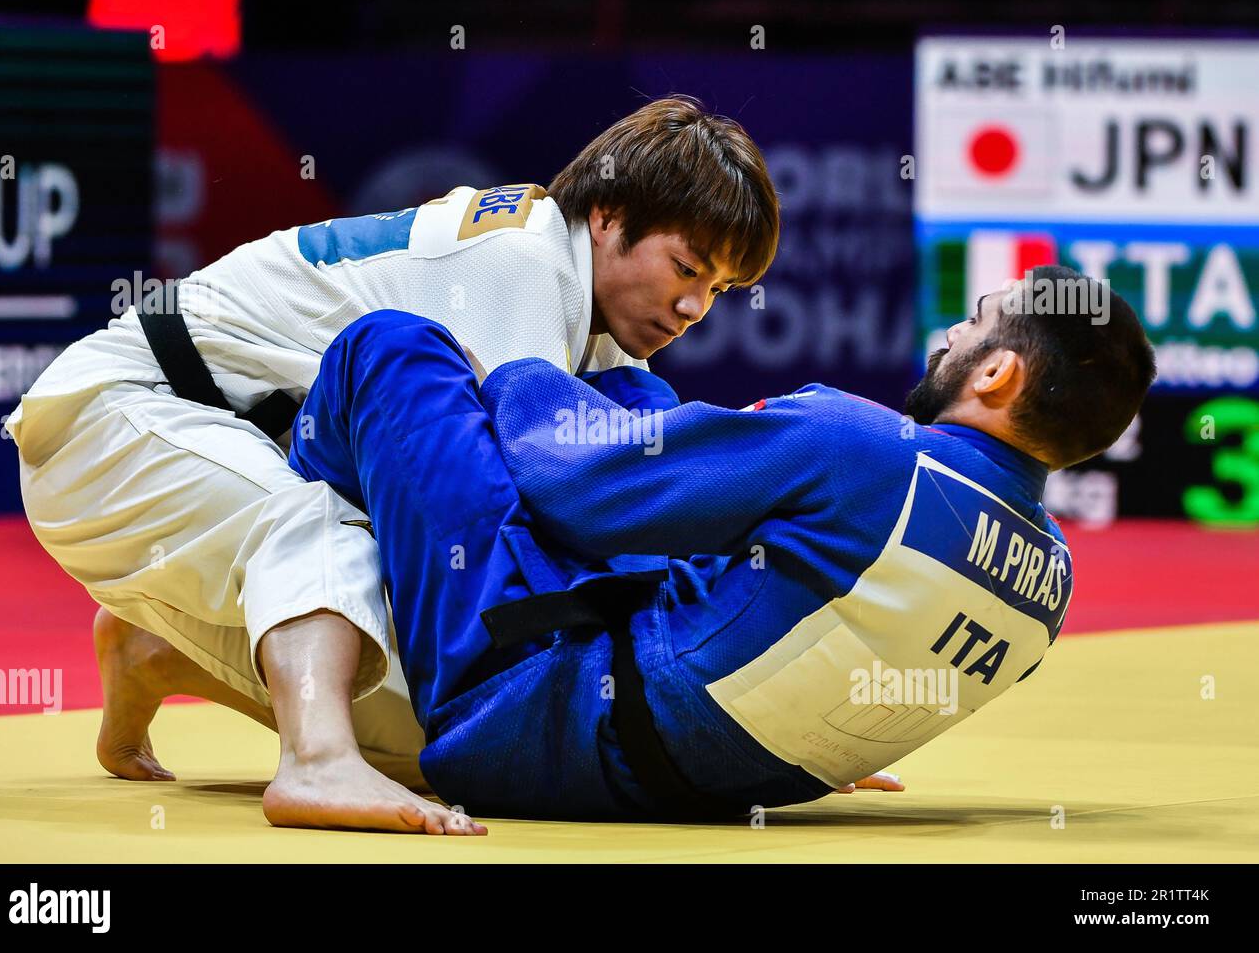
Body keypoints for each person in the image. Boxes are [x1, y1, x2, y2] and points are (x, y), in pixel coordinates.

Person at [6, 95, 778, 834]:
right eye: (686, 268)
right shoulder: (523, 262)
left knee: (421, 731)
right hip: (113, 416)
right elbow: (525, 530)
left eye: (719, 289)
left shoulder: (592, 330)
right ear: (609, 217)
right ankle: (316, 761)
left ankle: (158, 654)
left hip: (215, 439)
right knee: (342, 550)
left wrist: (741, 721)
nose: (695, 309)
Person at [288, 265, 1156, 821]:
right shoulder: (1052, 586)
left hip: (528, 713)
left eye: (975, 325)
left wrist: (514, 372)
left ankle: (273, 535)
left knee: (393, 349)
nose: (952, 337)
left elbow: (576, 486)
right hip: (724, 783)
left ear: (998, 374)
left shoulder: (863, 448)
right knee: (633, 391)